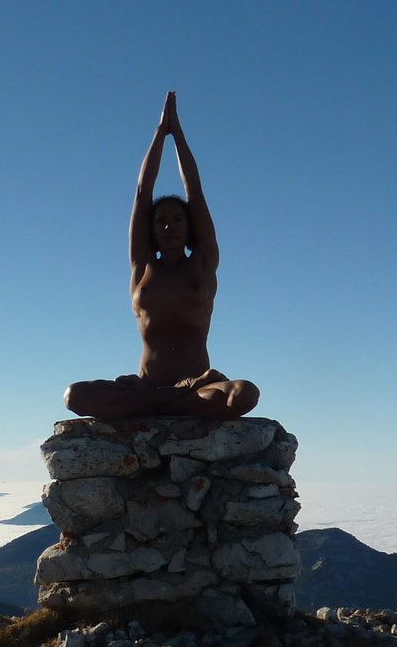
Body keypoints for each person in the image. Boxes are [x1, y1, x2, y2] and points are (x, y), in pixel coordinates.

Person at [64, 93, 260, 420]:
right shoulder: (142, 266)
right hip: (148, 385)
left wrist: (178, 136)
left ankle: (157, 404)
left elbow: (194, 190)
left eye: (177, 219)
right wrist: (159, 133)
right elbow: (143, 190)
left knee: (244, 393)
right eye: (161, 220)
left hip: (199, 386)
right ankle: (169, 399)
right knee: (74, 395)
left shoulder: (202, 264)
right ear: (151, 229)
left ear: (189, 226)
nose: (169, 225)